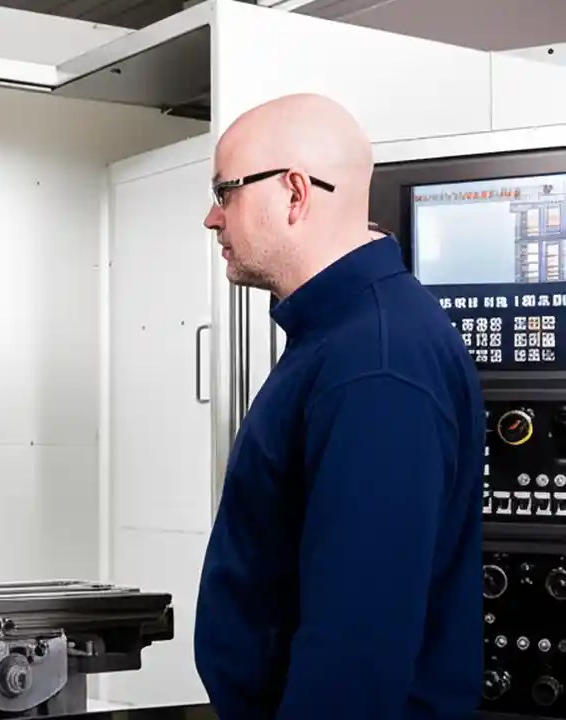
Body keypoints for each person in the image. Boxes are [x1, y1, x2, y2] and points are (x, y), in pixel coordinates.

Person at [193, 93, 485, 719]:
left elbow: (357, 643)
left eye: (226, 193)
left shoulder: (376, 364)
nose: (212, 219)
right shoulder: (337, 337)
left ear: (295, 194)